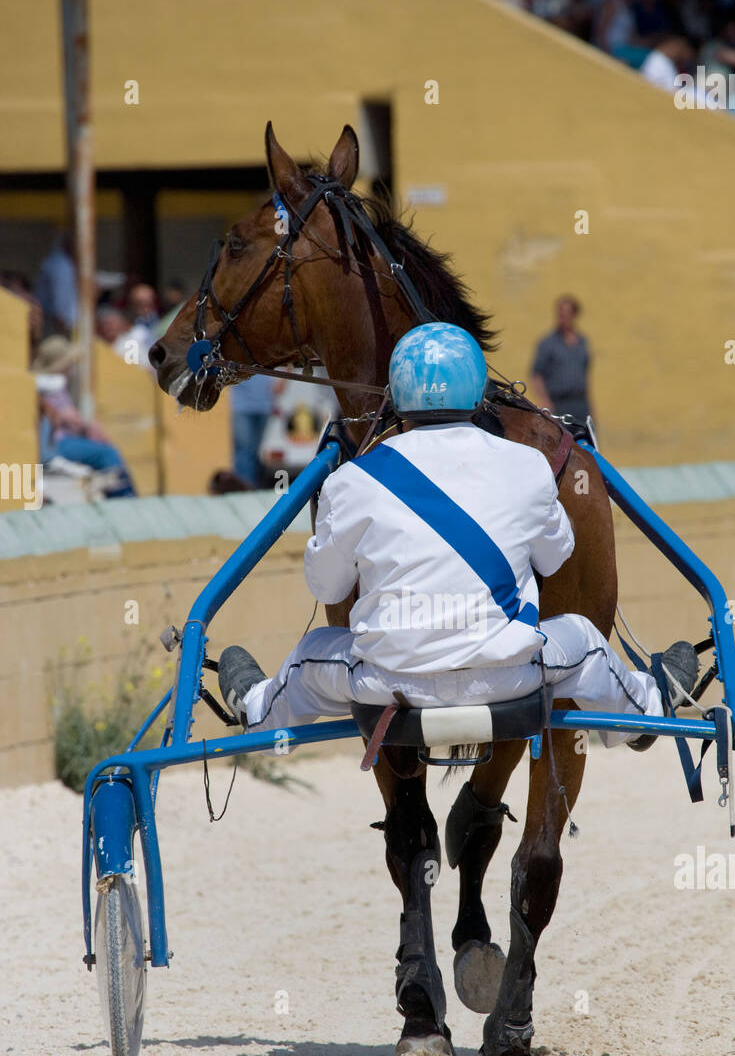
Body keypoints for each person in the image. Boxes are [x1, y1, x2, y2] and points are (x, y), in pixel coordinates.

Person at [217, 322, 697, 756]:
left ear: (398, 392)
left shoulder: (352, 481)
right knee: (588, 643)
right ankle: (646, 710)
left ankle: (258, 713)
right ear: (476, 391)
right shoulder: (529, 467)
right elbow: (555, 559)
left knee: (306, 658)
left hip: (387, 682)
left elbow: (327, 590)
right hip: (510, 676)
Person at [32, 336, 137, 497]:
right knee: (107, 453)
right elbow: (71, 418)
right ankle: (125, 498)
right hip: (58, 443)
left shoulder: (47, 384)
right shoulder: (52, 385)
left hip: (60, 441)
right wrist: (91, 428)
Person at [530, 295, 593, 425]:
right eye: (561, 313)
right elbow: (536, 374)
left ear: (574, 315)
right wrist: (545, 400)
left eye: (567, 313)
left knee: (585, 441)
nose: (563, 317)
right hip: (558, 403)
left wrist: (591, 407)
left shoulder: (583, 343)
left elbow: (585, 375)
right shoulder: (548, 343)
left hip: (581, 403)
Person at [230, 374, 278, 487]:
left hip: (263, 407)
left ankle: (251, 485)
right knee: (244, 449)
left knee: (254, 451)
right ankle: (244, 486)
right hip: (242, 407)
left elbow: (277, 389)